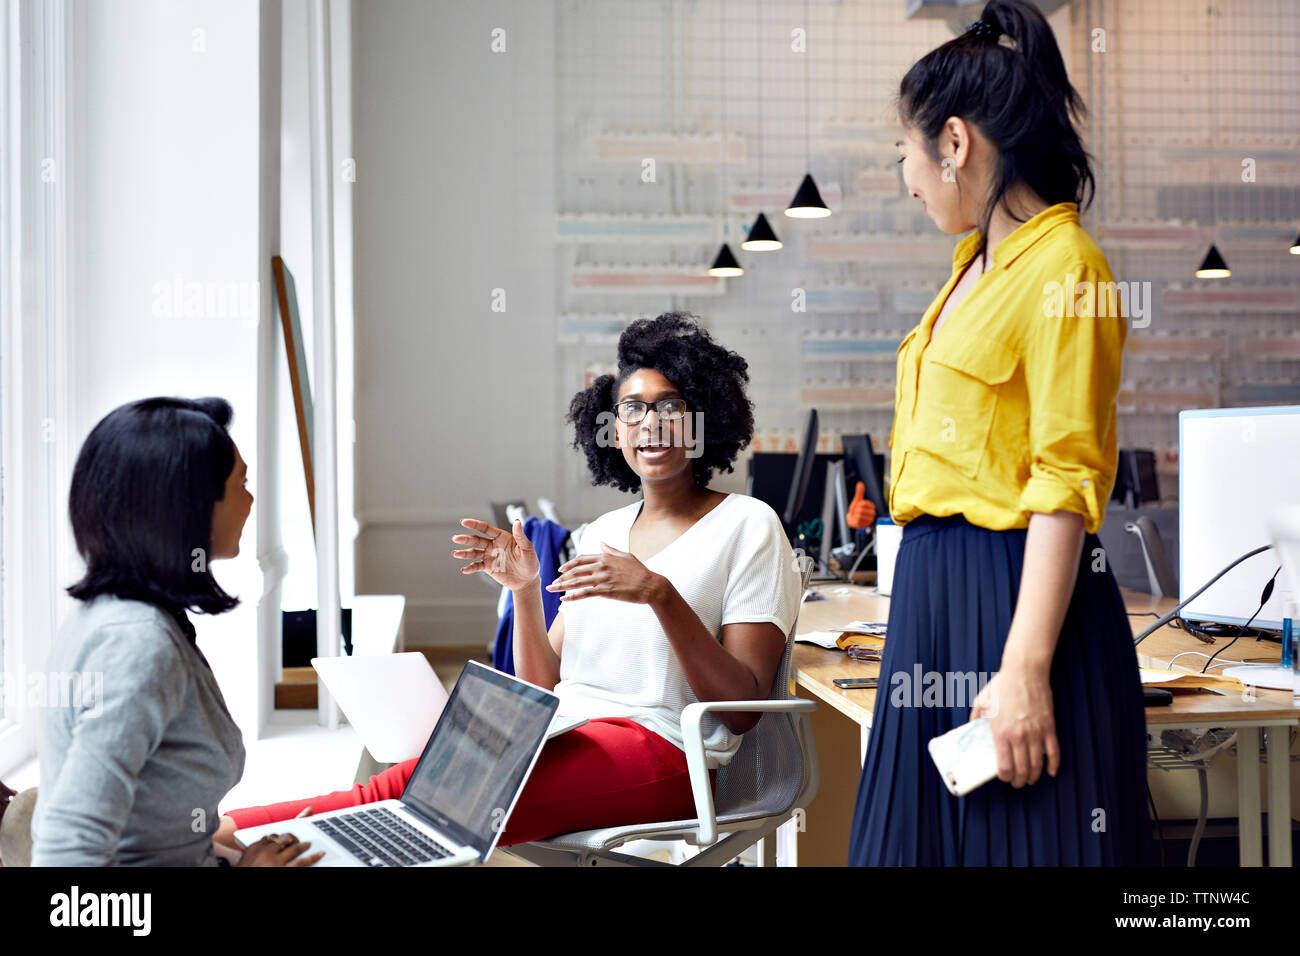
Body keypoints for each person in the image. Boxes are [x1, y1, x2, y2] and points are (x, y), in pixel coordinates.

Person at [216, 312, 803, 848]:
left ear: (703, 419)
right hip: (566, 729)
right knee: (400, 786)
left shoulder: (748, 525)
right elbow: (544, 685)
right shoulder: (602, 532)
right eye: (632, 408)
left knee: (421, 802)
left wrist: (658, 593)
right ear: (614, 428)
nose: (651, 423)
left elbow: (741, 709)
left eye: (670, 406)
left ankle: (214, 845)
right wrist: (525, 591)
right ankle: (212, 840)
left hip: (666, 754)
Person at [848, 0, 1153, 865]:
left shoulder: (1067, 268)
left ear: (954, 141)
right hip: (933, 599)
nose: (903, 176)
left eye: (903, 151)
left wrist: (1023, 672)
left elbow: (1065, 482)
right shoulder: (969, 270)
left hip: (1016, 598)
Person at [31, 397, 320, 867]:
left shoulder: (123, 615)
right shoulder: (136, 644)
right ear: (189, 506)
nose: (250, 500)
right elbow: (68, 868)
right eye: (240, 483)